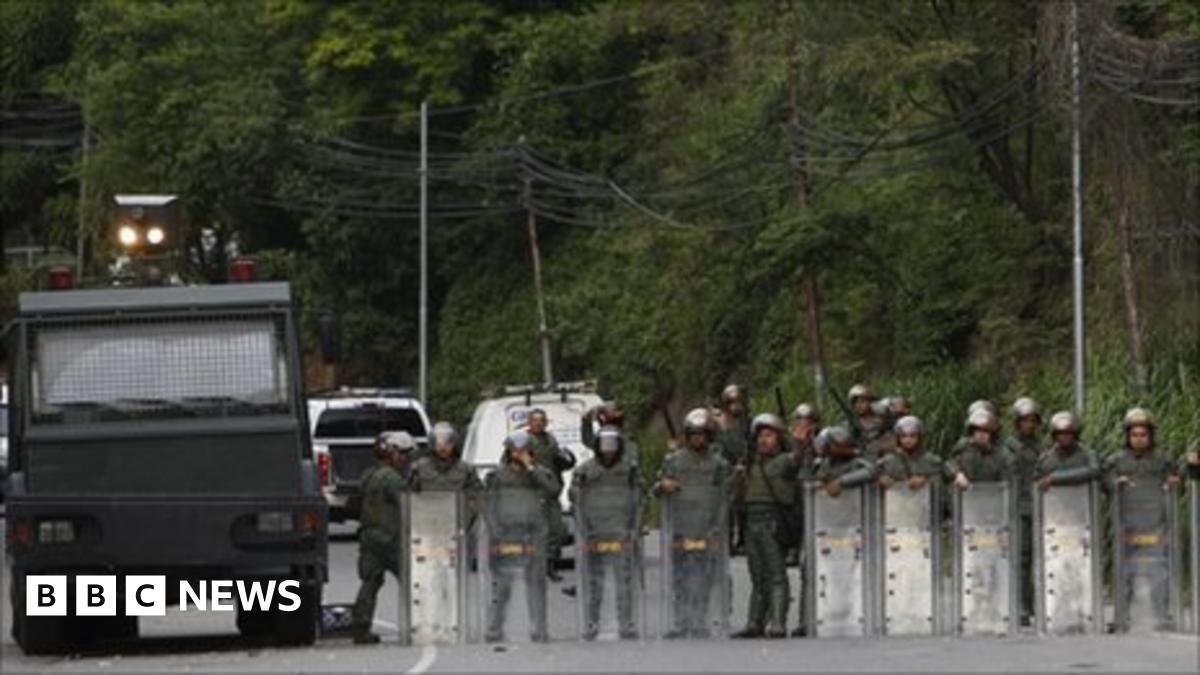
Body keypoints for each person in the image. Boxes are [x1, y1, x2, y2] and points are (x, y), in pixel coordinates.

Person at [656, 408, 732, 639]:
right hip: (680, 527)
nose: (698, 438)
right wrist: (663, 486)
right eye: (693, 434)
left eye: (702, 434)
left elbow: (726, 493)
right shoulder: (674, 460)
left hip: (708, 528)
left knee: (705, 578)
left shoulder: (719, 463)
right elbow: (657, 487)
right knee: (680, 578)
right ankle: (680, 622)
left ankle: (700, 620)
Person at [1104, 408, 1181, 631]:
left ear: (1151, 435)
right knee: (1123, 570)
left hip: (1155, 524)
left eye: (1143, 434)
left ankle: (1161, 615)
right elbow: (1102, 480)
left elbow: (1177, 480)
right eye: (1134, 435)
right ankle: (1121, 617)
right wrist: (1115, 483)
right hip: (1125, 524)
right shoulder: (1116, 460)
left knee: (1159, 569)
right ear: (1128, 436)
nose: (1139, 439)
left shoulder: (1163, 460)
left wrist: (1176, 482)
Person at [483, 431, 560, 643]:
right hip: (505, 534)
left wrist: (531, 469)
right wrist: (494, 530)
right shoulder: (497, 476)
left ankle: (538, 627)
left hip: (532, 534)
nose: (520, 454)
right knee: (502, 584)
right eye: (516, 451)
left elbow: (553, 490)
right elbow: (488, 505)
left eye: (524, 450)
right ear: (508, 453)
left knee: (535, 583)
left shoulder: (540, 473)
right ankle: (495, 627)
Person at [734, 413, 806, 639]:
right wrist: (738, 478)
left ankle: (777, 622)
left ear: (778, 439)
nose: (763, 440)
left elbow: (797, 459)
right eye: (760, 436)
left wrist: (801, 442)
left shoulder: (783, 462)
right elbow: (739, 497)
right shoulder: (750, 465)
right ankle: (754, 622)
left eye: (769, 435)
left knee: (776, 575)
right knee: (757, 577)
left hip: (772, 522)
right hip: (751, 523)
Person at [569, 425, 644, 640]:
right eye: (604, 445)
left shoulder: (629, 470)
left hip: (621, 532)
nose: (608, 450)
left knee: (624, 582)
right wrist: (583, 531)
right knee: (593, 583)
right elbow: (576, 500)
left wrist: (634, 529)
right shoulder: (585, 471)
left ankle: (626, 623)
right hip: (595, 533)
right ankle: (592, 623)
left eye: (612, 445)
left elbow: (640, 499)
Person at [351, 431, 414, 644]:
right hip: (391, 539)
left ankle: (360, 627)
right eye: (403, 454)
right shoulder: (392, 479)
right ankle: (418, 624)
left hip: (369, 537)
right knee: (412, 581)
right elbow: (408, 504)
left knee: (370, 582)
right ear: (392, 454)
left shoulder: (369, 475)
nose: (406, 459)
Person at [1004, 397, 1043, 624]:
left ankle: (1040, 603)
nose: (1029, 425)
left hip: (1040, 505)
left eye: (1033, 421)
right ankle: (1020, 604)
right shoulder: (1007, 446)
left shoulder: (1042, 447)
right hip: (1016, 506)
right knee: (1021, 557)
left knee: (1043, 556)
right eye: (1025, 420)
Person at [526, 408, 575, 580]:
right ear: (529, 423)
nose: (538, 423)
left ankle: (550, 563)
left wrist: (565, 461)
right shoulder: (523, 441)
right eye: (535, 420)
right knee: (534, 532)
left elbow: (557, 460)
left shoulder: (551, 439)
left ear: (546, 422)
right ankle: (535, 566)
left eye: (541, 420)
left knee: (557, 530)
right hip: (532, 492)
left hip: (551, 490)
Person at [788, 403, 820, 636]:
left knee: (818, 566)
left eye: (807, 421)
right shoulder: (787, 445)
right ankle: (803, 620)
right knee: (804, 567)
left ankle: (819, 619)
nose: (803, 425)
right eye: (799, 420)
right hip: (794, 511)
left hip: (822, 512)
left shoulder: (825, 443)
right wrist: (798, 446)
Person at [714, 384, 751, 555]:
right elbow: (716, 449)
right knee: (727, 505)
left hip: (745, 469)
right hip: (726, 469)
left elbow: (749, 446)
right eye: (731, 402)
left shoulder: (747, 425)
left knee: (745, 505)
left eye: (738, 402)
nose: (735, 406)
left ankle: (744, 538)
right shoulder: (718, 426)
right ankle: (727, 540)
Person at [946, 408, 1015, 490]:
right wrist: (957, 474)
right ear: (972, 431)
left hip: (994, 497)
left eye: (985, 430)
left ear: (992, 434)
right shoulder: (964, 448)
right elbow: (949, 464)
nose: (981, 434)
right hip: (967, 497)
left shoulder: (1002, 454)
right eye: (977, 430)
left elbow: (1008, 481)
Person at [1034, 411, 1101, 492]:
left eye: (1068, 433)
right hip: (1053, 502)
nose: (1065, 437)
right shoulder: (1045, 459)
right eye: (1060, 433)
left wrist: (1053, 479)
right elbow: (1036, 481)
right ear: (1054, 435)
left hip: (1082, 501)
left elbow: (1094, 470)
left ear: (1075, 434)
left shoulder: (1088, 455)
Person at [876, 415, 943, 490]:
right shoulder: (889, 460)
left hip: (923, 500)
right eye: (903, 436)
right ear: (898, 438)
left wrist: (925, 480)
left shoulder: (931, 460)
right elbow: (876, 474)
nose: (908, 440)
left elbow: (940, 479)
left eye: (912, 436)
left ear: (919, 437)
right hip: (896, 500)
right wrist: (882, 479)